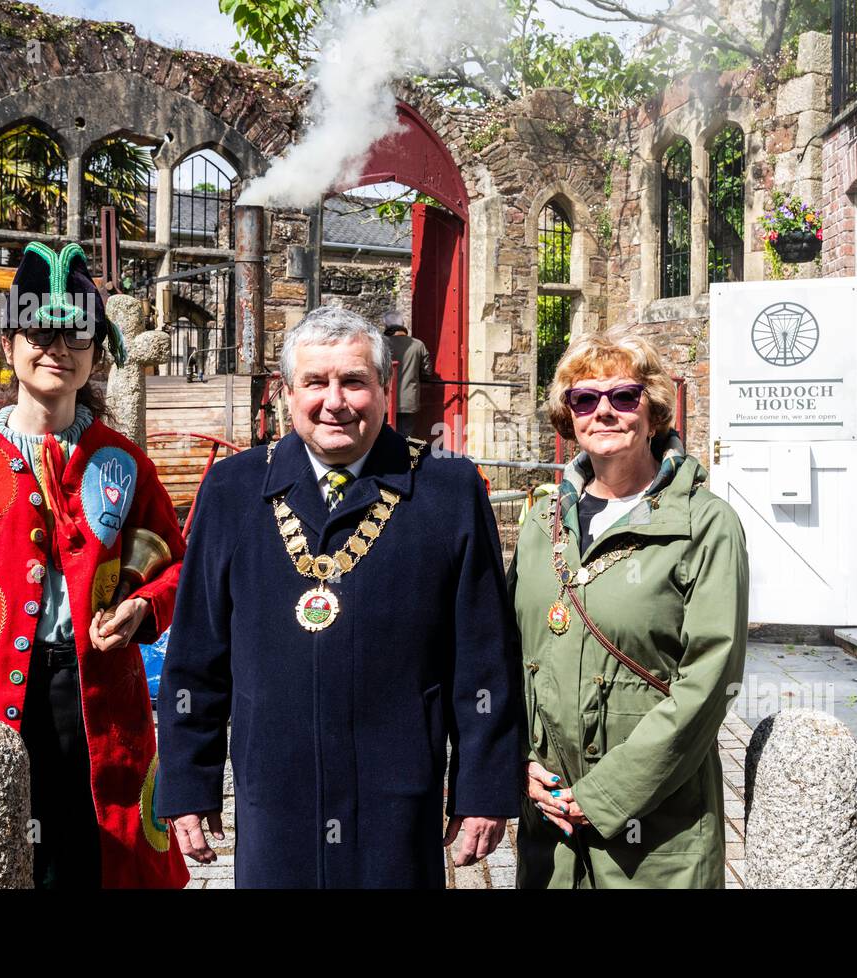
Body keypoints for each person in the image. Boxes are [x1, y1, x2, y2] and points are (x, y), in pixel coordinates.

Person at [156, 305, 522, 888]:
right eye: (315, 382)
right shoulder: (233, 489)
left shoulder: (448, 490)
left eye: (353, 381)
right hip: (274, 793)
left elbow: (484, 658)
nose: (335, 401)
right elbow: (196, 656)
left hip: (398, 794)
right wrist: (187, 782)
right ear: (286, 392)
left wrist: (484, 787)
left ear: (383, 388)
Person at [0, 241, 190, 889]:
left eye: (75, 331)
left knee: (98, 858)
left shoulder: (123, 463)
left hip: (102, 701)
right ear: (8, 346)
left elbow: (173, 563)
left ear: (96, 351)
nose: (56, 345)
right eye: (37, 330)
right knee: (3, 858)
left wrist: (141, 606)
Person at [508, 327, 749, 888]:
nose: (604, 411)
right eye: (585, 398)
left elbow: (711, 677)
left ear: (654, 408)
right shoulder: (543, 523)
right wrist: (518, 760)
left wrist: (608, 794)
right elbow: (505, 652)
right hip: (550, 818)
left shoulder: (705, 524)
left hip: (657, 823)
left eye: (624, 396)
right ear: (568, 416)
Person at [382, 312, 433, 438]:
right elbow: (427, 371)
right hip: (409, 399)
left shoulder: (381, 343)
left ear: (386, 326)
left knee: (382, 437)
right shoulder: (418, 345)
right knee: (405, 438)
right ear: (403, 325)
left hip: (384, 398)